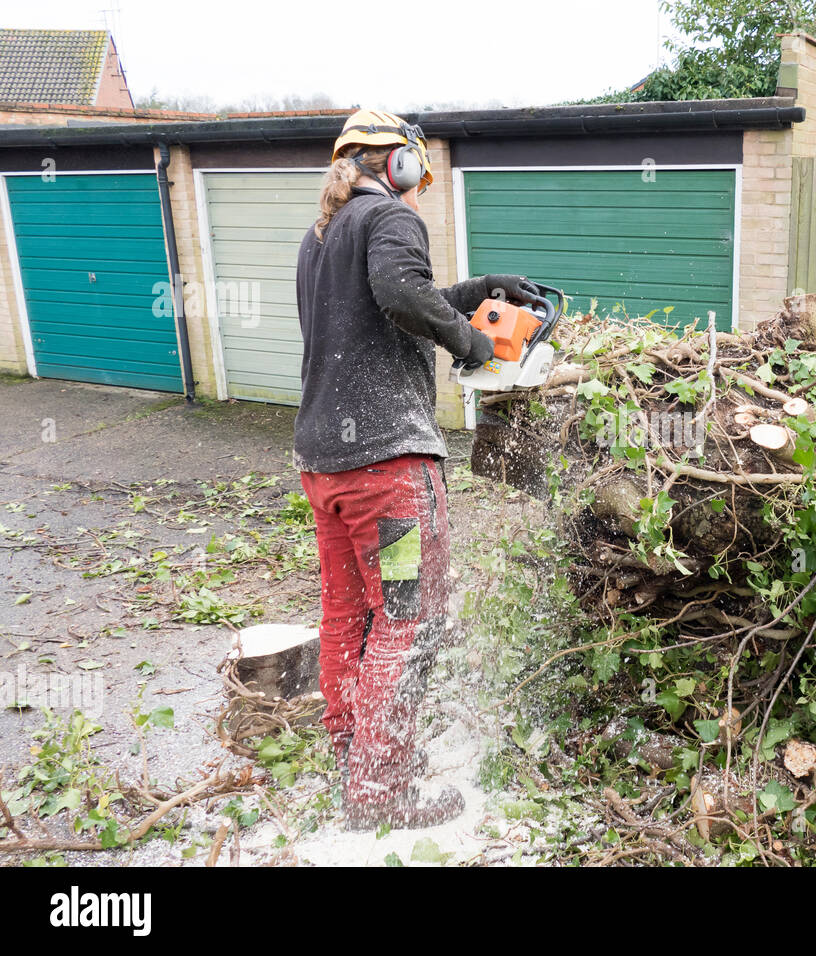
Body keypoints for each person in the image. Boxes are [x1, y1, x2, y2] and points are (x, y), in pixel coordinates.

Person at [294, 109, 533, 829]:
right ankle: (383, 795)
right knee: (408, 621)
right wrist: (471, 344)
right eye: (415, 174)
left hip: (327, 469)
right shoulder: (391, 221)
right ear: (393, 162)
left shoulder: (322, 236)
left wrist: (479, 289)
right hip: (386, 476)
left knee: (349, 617)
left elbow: (392, 299)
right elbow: (401, 294)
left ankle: (355, 757)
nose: (418, 190)